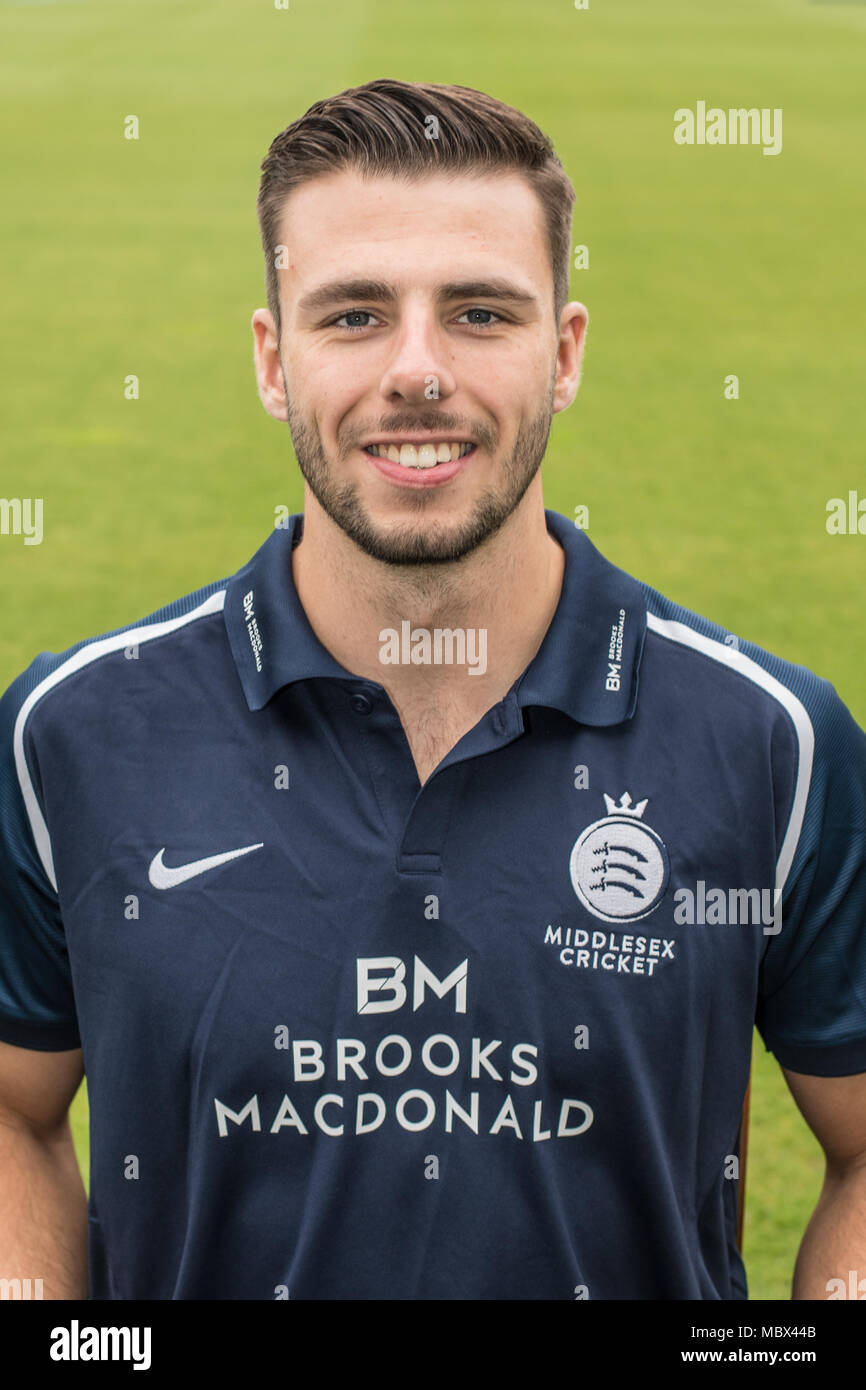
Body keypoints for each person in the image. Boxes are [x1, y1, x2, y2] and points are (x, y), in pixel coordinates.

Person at [1, 78, 864, 1302]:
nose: (417, 372)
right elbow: (12, 1111)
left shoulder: (771, 743)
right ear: (272, 358)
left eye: (476, 313)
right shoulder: (69, 736)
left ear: (561, 353)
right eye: (353, 315)